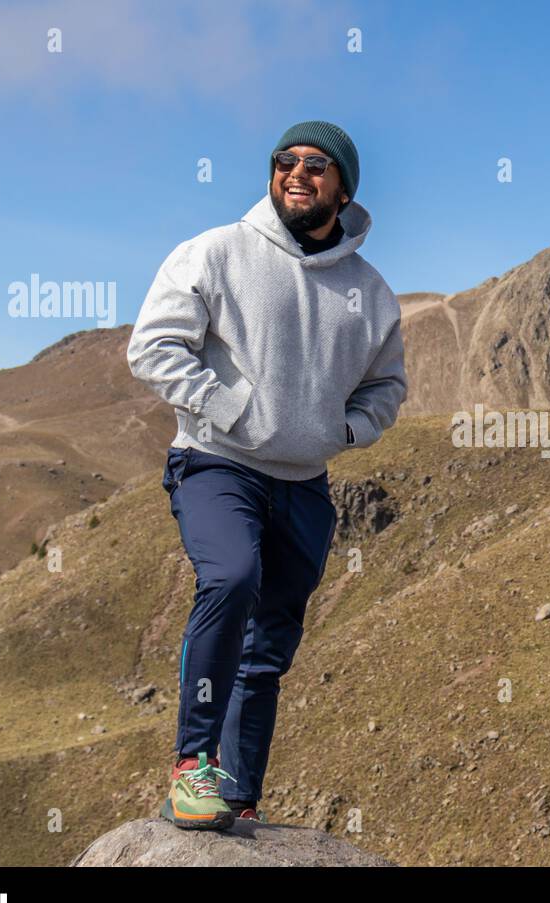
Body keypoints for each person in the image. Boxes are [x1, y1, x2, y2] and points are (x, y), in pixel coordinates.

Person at [127, 120, 406, 829]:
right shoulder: (217, 251)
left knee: (270, 644)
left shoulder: (369, 292)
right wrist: (230, 408)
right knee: (229, 578)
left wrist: (345, 430)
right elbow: (154, 346)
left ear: (343, 188)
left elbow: (387, 386)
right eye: (286, 161)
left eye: (317, 165)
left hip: (305, 483)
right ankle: (193, 765)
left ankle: (239, 794)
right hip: (217, 462)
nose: (297, 172)